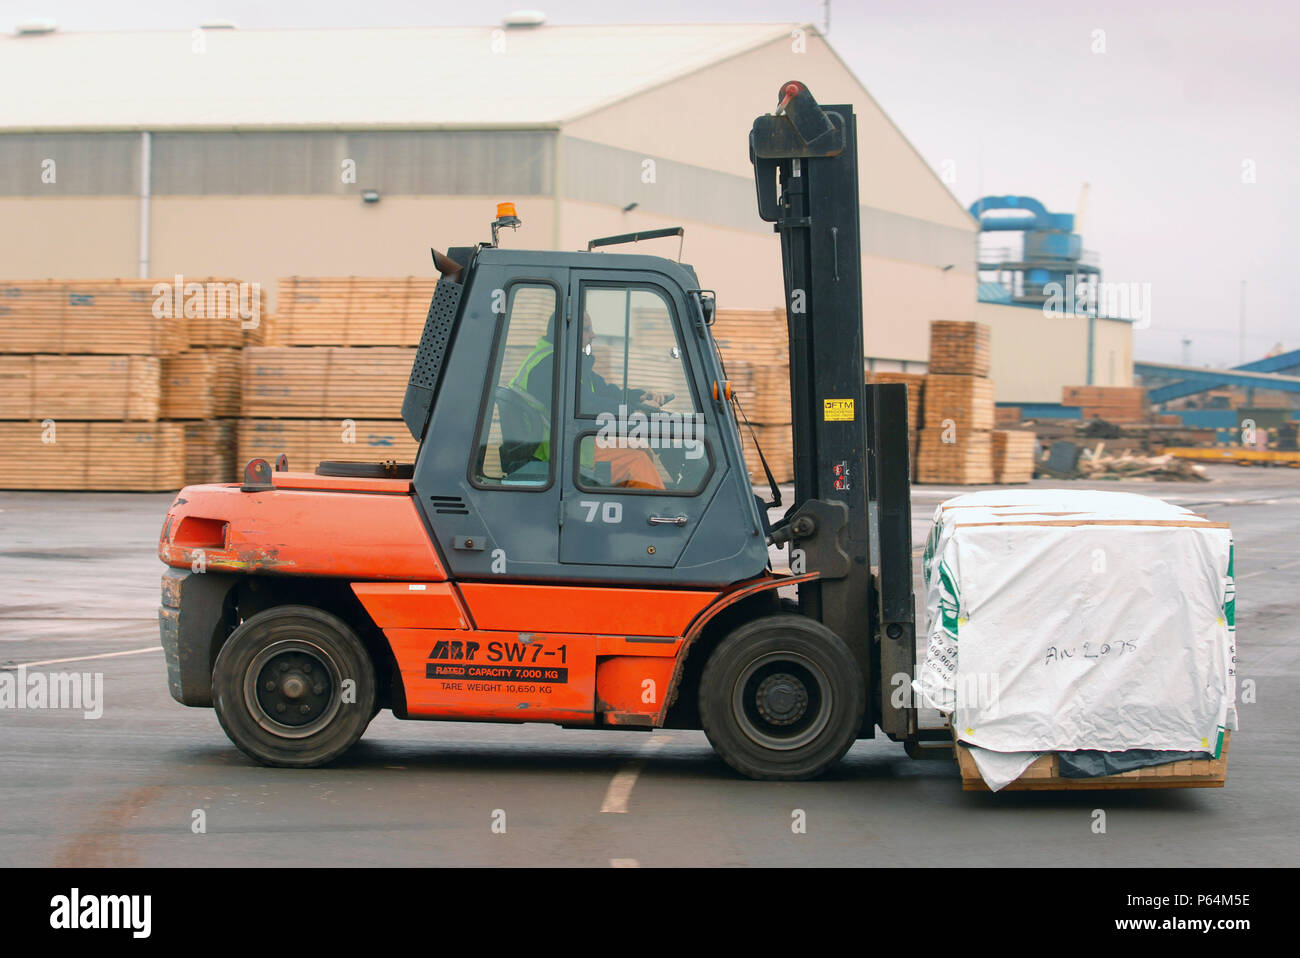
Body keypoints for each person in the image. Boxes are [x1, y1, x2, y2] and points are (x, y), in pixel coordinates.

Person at [511, 310, 667, 489]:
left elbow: (604, 391)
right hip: (557, 451)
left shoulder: (563, 360)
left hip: (570, 441)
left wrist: (639, 396)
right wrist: (634, 412)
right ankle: (656, 513)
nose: (593, 334)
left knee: (640, 446)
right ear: (565, 333)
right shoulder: (550, 366)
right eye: (586, 329)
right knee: (636, 462)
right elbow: (585, 405)